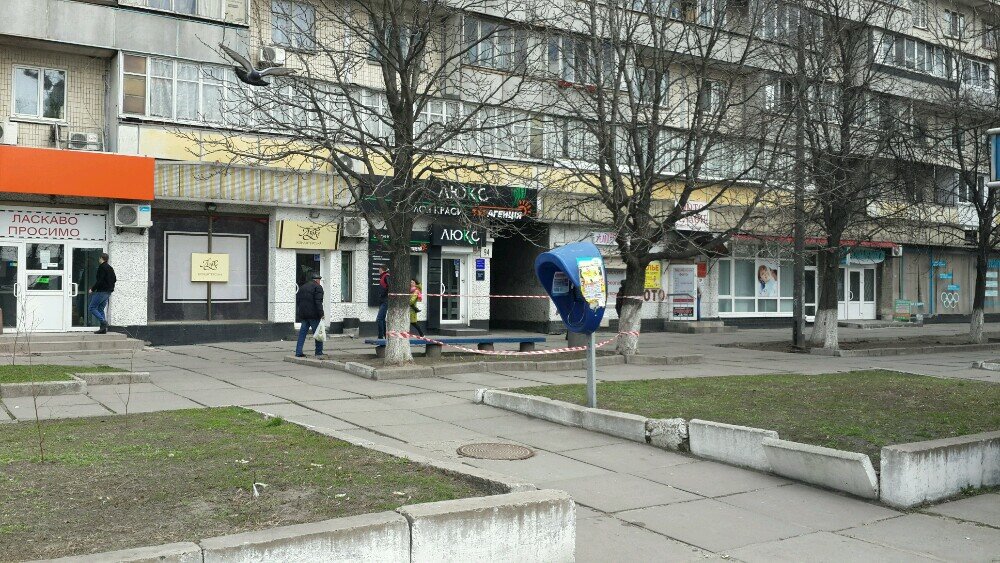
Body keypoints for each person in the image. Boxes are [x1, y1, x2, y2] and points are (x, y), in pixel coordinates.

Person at [295, 272, 325, 357]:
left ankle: (298, 352)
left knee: (302, 334)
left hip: (304, 315)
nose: (320, 281)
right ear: (317, 280)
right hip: (314, 315)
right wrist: (321, 314)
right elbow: (318, 302)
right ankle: (318, 352)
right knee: (318, 334)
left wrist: (301, 312)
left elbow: (298, 300)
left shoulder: (303, 287)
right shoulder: (318, 287)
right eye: (319, 280)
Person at [88, 253, 116, 335]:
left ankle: (103, 322)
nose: (98, 260)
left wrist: (92, 289)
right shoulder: (110, 268)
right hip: (108, 292)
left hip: (101, 291)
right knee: (100, 309)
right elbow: (114, 279)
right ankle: (103, 329)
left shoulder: (102, 267)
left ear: (101, 258)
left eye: (99, 258)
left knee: (92, 307)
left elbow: (100, 280)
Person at [376, 267, 389, 339]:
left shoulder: (386, 276)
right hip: (382, 300)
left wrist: (383, 294)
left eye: (379, 269)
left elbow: (389, 287)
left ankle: (380, 336)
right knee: (382, 319)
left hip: (385, 300)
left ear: (382, 270)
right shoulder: (382, 277)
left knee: (379, 318)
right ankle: (384, 335)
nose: (378, 270)